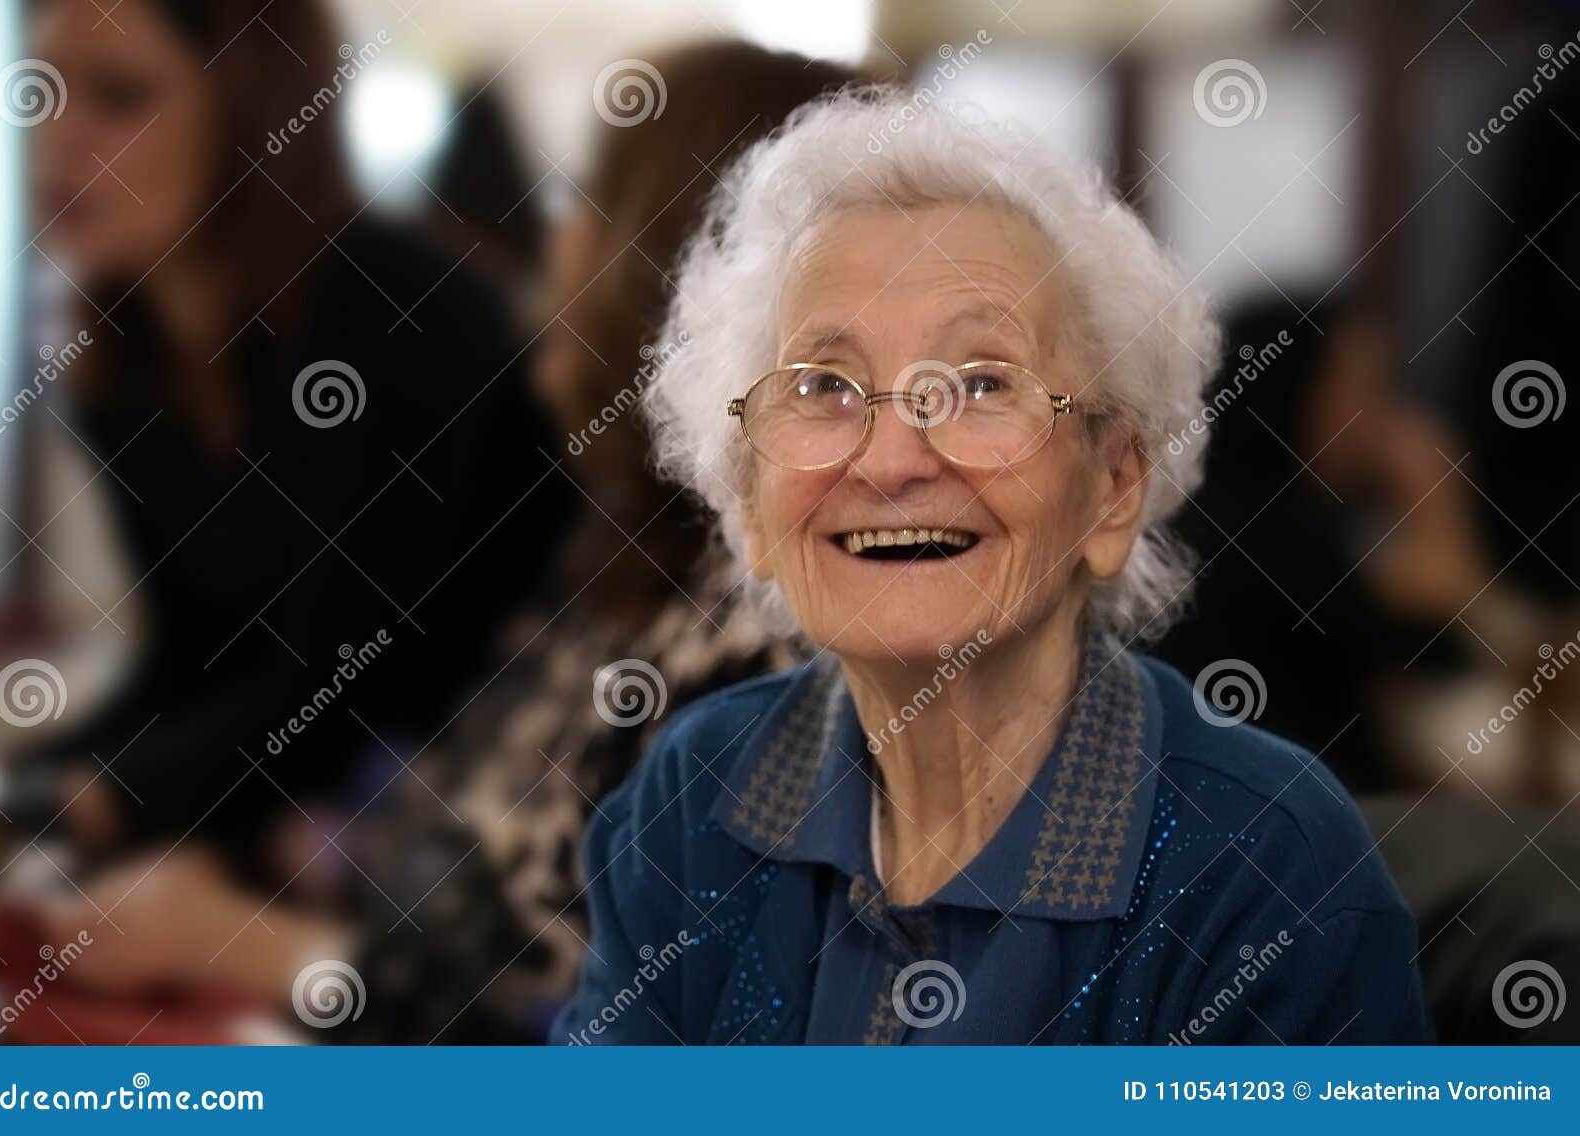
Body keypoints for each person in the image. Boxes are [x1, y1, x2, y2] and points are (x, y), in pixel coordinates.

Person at [551, 90, 1434, 1044]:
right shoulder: (697, 796)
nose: (892, 461)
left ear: (1113, 484)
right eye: (823, 387)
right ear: (752, 502)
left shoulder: (1266, 871)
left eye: (981, 384)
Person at [37, 42, 863, 1044]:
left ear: (679, 261)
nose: (551, 239)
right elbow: (220, 673)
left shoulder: (761, 636)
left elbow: (599, 1038)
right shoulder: (617, 563)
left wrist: (256, 937)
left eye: (590, 201)